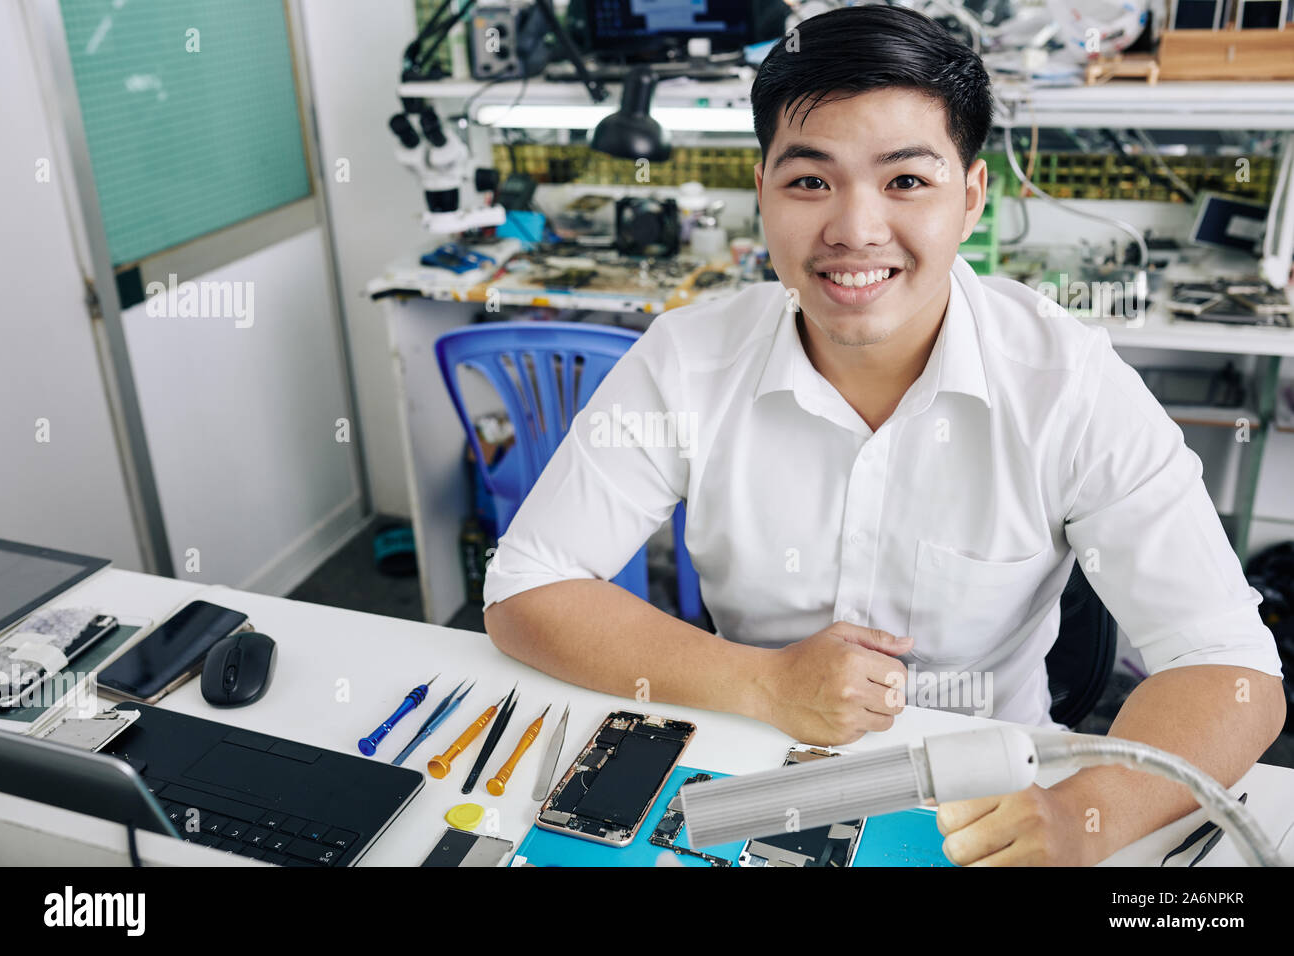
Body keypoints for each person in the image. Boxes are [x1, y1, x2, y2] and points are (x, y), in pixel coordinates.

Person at [482, 4, 1285, 865]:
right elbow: (528, 586)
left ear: (971, 197)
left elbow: (1234, 669)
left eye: (906, 182)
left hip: (988, 802)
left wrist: (1084, 816)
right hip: (748, 773)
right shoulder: (688, 358)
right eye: (809, 181)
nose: (855, 230)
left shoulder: (1069, 386)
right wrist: (762, 681)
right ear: (762, 193)